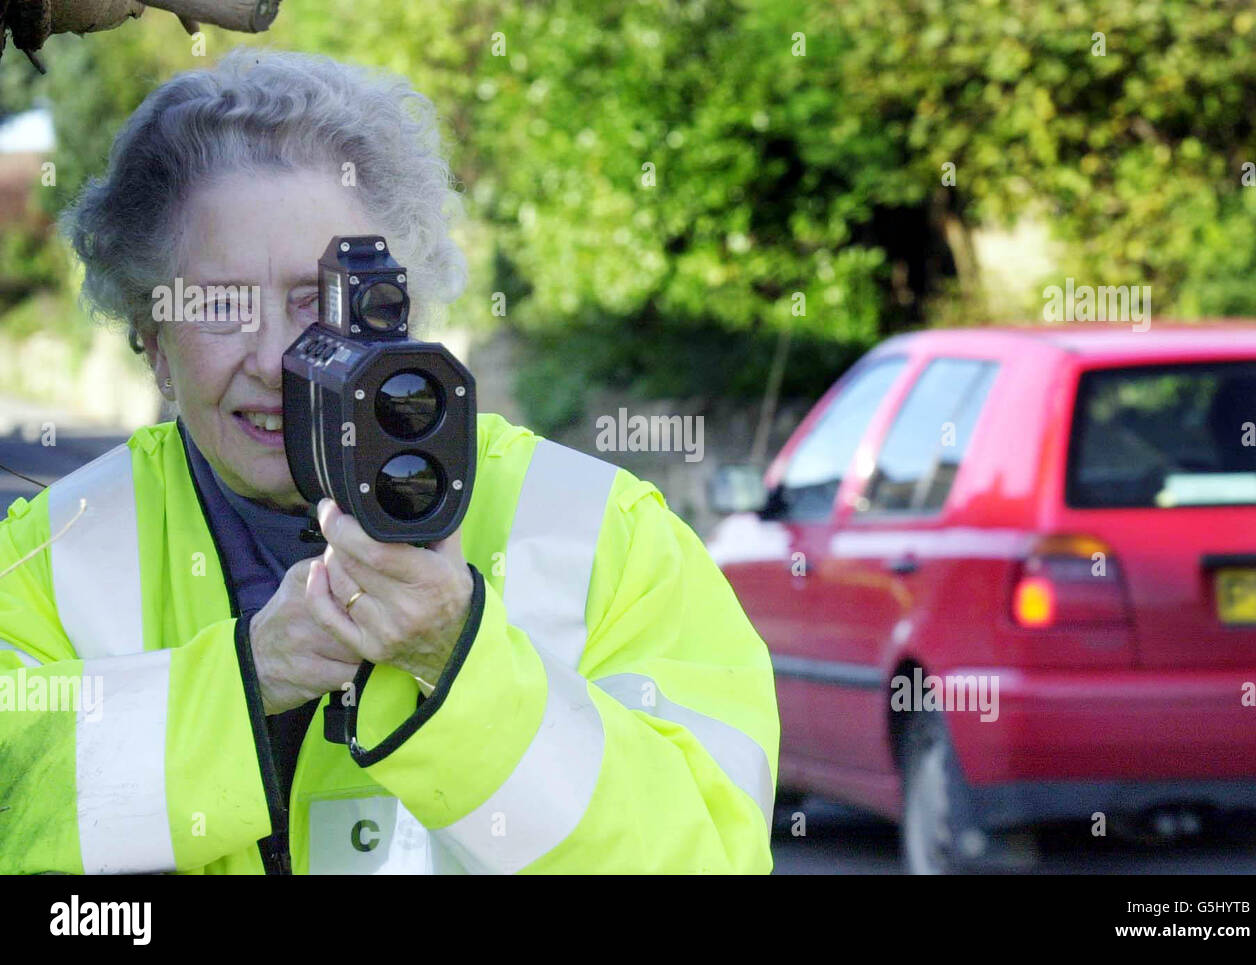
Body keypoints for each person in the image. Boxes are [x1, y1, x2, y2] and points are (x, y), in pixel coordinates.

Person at [0, 48, 778, 874]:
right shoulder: (51, 558)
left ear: (400, 309)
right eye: (221, 305)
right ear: (153, 345)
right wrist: (248, 677)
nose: (272, 358)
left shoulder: (607, 539)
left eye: (317, 302)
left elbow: (707, 853)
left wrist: (457, 658)